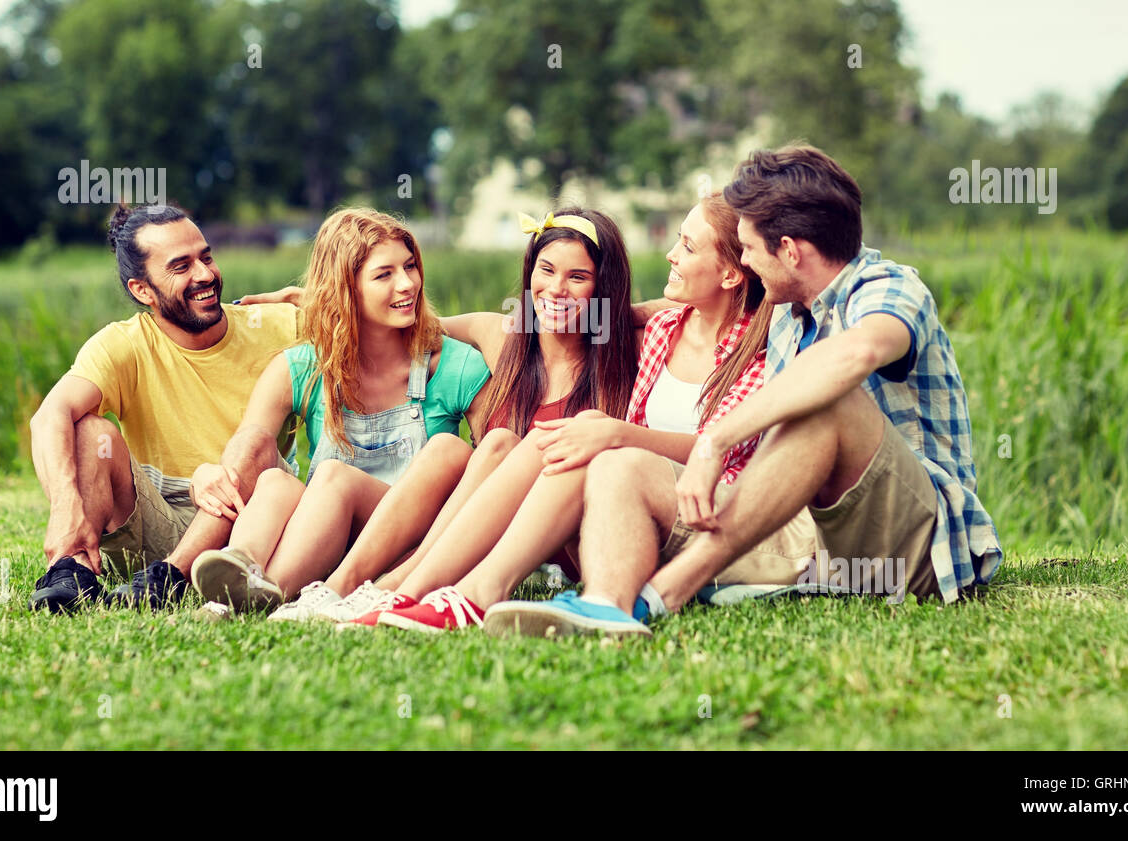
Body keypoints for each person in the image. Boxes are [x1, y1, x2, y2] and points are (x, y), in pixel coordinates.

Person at [498, 144, 1004, 637]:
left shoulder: (887, 288)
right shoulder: (787, 311)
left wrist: (715, 441)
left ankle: (667, 591)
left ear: (788, 250)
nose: (745, 264)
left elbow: (857, 353)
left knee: (830, 402)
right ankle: (606, 605)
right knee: (619, 459)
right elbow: (683, 307)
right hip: (803, 535)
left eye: (749, 250)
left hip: (906, 537)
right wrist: (584, 312)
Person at [378, 193, 817, 634]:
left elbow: (723, 447)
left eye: (686, 245)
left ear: (729, 273)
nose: (670, 252)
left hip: (710, 514)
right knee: (553, 438)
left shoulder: (763, 350)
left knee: (591, 434)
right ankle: (427, 592)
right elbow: (600, 307)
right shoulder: (664, 329)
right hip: (630, 514)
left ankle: (472, 593)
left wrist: (617, 433)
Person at [264, 207, 638, 627]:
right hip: (492, 533)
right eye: (546, 270)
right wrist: (319, 298)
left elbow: (693, 310)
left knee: (505, 443)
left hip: (568, 537)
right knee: (463, 445)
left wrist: (627, 314)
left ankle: (396, 589)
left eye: (578, 277)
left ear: (603, 286)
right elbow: (403, 317)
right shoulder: (503, 337)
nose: (556, 289)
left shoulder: (625, 358)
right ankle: (354, 587)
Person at [186, 207, 492, 615]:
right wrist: (207, 475)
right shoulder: (302, 366)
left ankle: (265, 591)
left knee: (335, 476)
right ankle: (241, 566)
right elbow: (250, 441)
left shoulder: (455, 365)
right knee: (276, 482)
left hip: (411, 548)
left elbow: (497, 470)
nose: (408, 284)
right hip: (324, 543)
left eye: (411, 267)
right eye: (384, 275)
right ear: (345, 288)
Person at [27, 202, 298, 613]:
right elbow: (49, 416)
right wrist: (67, 508)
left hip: (254, 523)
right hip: (158, 523)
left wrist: (316, 299)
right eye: (181, 266)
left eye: (206, 257)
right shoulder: (124, 344)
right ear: (142, 290)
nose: (205, 275)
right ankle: (73, 569)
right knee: (89, 431)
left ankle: (172, 577)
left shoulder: (276, 324)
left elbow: (413, 328)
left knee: (255, 444)